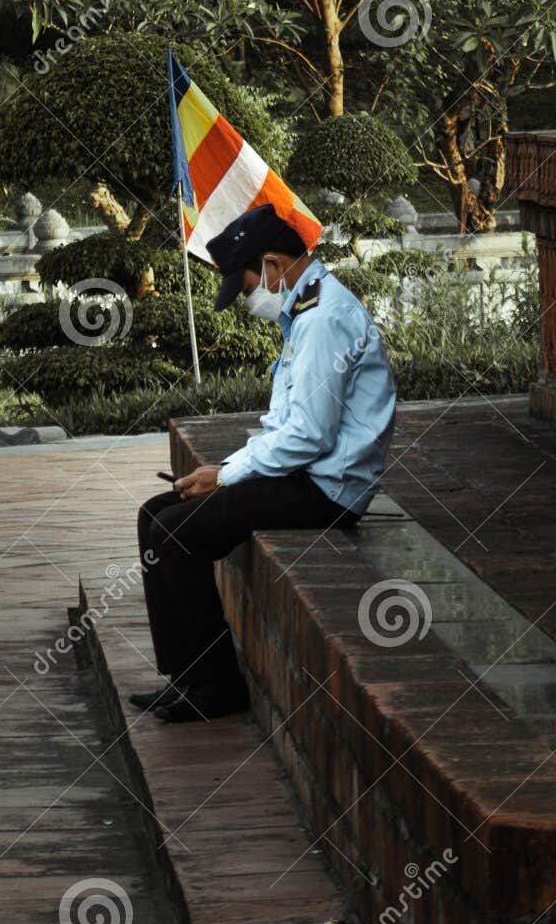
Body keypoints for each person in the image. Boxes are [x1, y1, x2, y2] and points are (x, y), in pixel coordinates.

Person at [131, 203, 397, 724]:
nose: (249, 297)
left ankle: (214, 688)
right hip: (304, 475)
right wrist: (226, 469)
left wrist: (226, 475)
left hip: (327, 490)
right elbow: (286, 428)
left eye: (248, 282)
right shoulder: (305, 314)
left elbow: (308, 436)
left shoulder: (323, 322)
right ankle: (185, 677)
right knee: (154, 515)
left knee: (175, 535)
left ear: (275, 266)